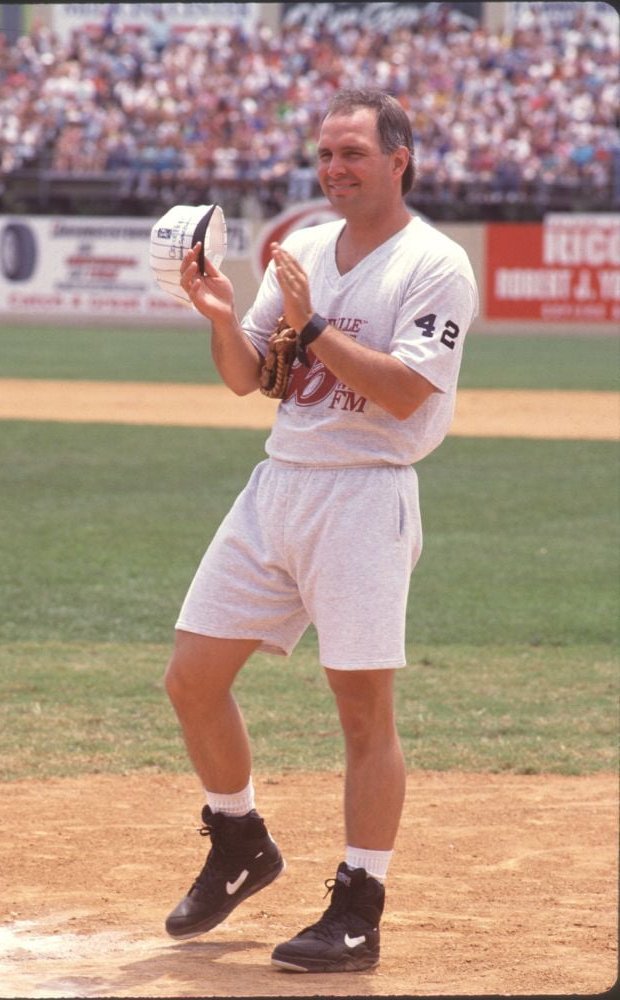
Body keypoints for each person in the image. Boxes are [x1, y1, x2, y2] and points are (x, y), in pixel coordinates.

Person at [163, 87, 478, 974]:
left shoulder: (436, 263)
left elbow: (407, 391)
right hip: (281, 483)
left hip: (366, 495)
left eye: (354, 155)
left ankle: (358, 907)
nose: (335, 170)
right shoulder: (302, 248)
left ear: (398, 161)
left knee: (361, 710)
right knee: (191, 678)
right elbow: (253, 377)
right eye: (327, 156)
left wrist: (312, 326)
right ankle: (240, 841)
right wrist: (225, 318)